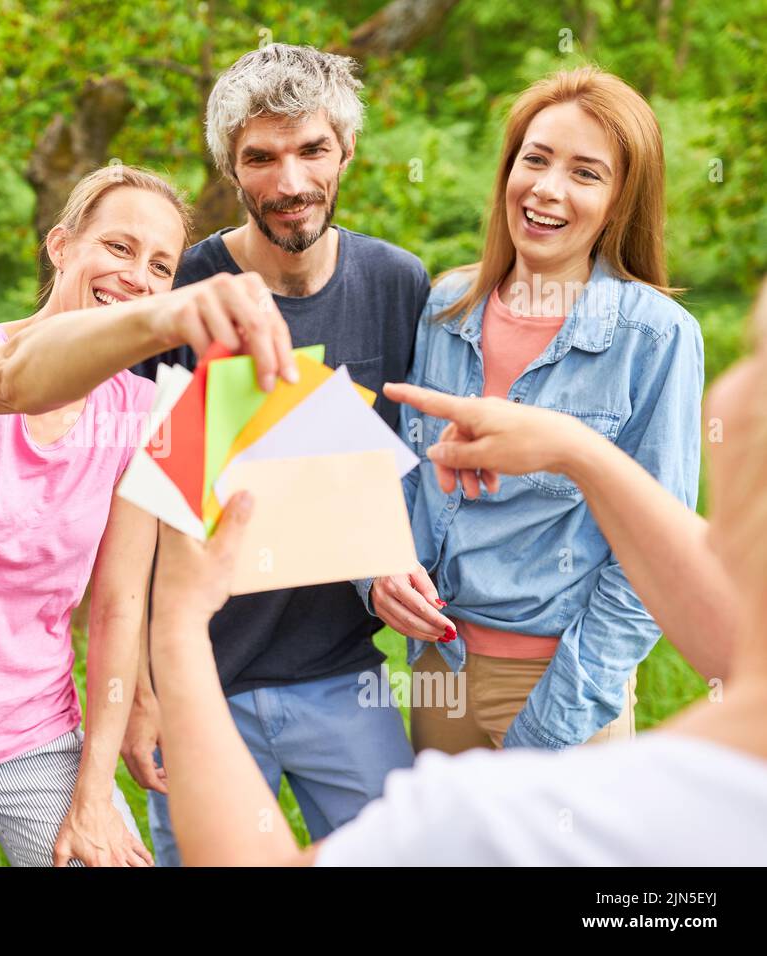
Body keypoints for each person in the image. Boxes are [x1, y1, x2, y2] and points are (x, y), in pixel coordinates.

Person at [148, 281, 767, 865]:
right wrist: (578, 451)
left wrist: (177, 627)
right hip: (446, 672)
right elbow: (729, 638)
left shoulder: (489, 820)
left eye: (754, 353)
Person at [0, 164, 298, 867]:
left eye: (161, 267)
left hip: (36, 736)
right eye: (118, 247)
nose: (137, 275)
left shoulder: (141, 415)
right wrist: (161, 319)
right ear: (61, 246)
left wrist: (94, 788)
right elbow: (16, 379)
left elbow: (117, 606)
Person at [125, 43, 430, 863]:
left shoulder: (399, 285)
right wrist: (138, 687)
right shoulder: (177, 295)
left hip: (346, 675)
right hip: (200, 682)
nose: (290, 182)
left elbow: (414, 470)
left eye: (312, 150)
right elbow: (123, 508)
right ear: (231, 167)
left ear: (347, 152)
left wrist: (395, 562)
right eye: (262, 157)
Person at [356, 67, 704, 753]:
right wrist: (379, 573)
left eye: (585, 172)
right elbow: (406, 477)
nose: (546, 189)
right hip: (440, 670)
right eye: (535, 159)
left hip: (564, 690)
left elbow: (653, 556)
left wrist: (550, 725)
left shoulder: (655, 336)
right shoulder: (444, 307)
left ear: (620, 202)